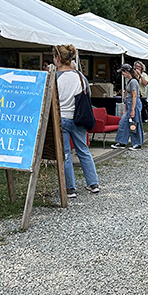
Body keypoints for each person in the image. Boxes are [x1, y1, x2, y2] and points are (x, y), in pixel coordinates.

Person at [54, 44, 100, 198]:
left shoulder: (54, 78)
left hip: (61, 118)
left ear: (58, 59)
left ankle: (70, 188)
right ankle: (93, 183)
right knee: (83, 151)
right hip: (78, 117)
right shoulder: (80, 76)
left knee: (65, 154)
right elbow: (87, 93)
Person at [112, 63, 144, 150]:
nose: (122, 74)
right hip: (129, 104)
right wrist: (126, 109)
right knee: (123, 123)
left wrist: (133, 109)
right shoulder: (129, 81)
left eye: (122, 72)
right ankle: (122, 141)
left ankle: (137, 143)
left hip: (134, 104)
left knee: (134, 123)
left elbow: (134, 96)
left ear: (126, 71)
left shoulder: (133, 81)